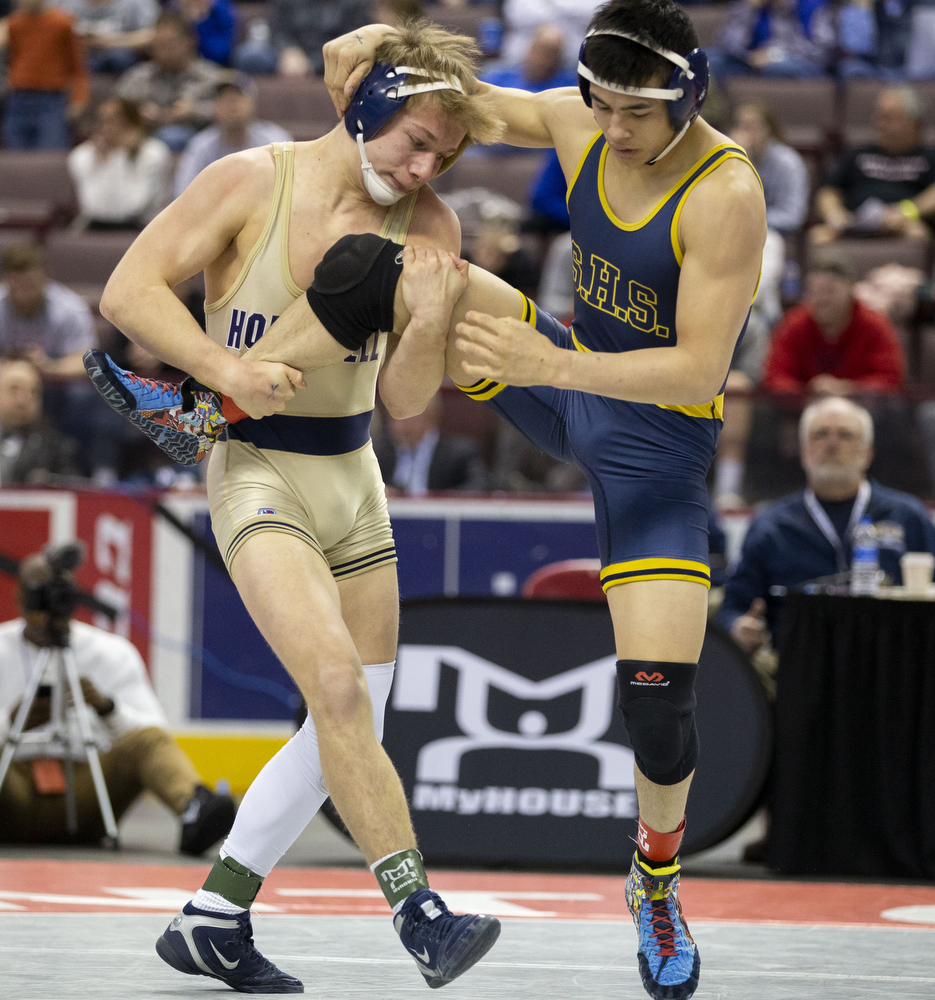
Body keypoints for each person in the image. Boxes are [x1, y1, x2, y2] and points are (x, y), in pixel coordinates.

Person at [90, 4, 766, 997]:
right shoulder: (570, 125)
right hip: (511, 387)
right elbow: (404, 88)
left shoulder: (725, 193)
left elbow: (698, 367)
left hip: (645, 439)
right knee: (391, 266)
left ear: (689, 95)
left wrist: (545, 359)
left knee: (656, 711)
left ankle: (653, 882)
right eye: (601, 105)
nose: (612, 128)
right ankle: (209, 402)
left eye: (634, 113)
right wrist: (373, 46)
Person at [89, 22, 507, 995]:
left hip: (354, 480)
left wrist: (435, 320)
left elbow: (405, 401)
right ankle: (419, 911)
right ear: (365, 108)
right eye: (413, 140)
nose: (423, 166)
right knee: (335, 686)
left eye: (443, 154)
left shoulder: (431, 224)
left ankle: (213, 917)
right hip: (258, 469)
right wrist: (223, 365)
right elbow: (125, 289)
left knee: (345, 723)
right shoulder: (251, 180)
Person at [0, 551, 236, 854]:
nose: (48, 609)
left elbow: (154, 734)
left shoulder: (111, 653)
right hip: (11, 789)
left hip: (89, 789)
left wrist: (106, 708)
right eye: (39, 595)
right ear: (19, 595)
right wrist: (12, 721)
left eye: (58, 594)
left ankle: (195, 807)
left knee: (147, 740)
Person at [717, 396, 935, 655]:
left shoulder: (907, 516)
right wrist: (739, 627)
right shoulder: (771, 526)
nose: (832, 444)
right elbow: (732, 607)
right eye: (820, 435)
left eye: (845, 435)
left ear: (868, 453)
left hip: (893, 665)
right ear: (804, 450)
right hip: (794, 668)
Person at [763, 252, 904, 396]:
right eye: (814, 292)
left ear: (850, 290)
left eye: (830, 291)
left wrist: (848, 389)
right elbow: (775, 376)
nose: (821, 299)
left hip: (864, 409)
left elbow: (890, 378)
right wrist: (807, 392)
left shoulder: (875, 325)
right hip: (802, 410)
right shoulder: (793, 324)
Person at [811, 86, 935, 244]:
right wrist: (835, 215)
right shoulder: (857, 154)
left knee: (917, 235)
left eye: (888, 118)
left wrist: (906, 212)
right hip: (855, 222)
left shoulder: (929, 157)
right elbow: (828, 191)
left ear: (913, 122)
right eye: (878, 116)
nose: (879, 124)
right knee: (818, 236)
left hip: (902, 224)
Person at [116, 12, 221, 152]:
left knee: (173, 136)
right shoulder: (139, 76)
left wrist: (195, 110)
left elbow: (232, 111)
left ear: (190, 41)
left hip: (198, 149)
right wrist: (137, 112)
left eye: (170, 43)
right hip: (145, 148)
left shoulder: (212, 77)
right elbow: (115, 108)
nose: (162, 51)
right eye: (158, 44)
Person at [174, 72, 291, 197]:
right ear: (215, 106)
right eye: (223, 98)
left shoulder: (276, 141)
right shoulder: (201, 146)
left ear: (252, 103)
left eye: (237, 97)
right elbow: (183, 195)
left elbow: (291, 188)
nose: (230, 103)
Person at [68, 98, 173, 230]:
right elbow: (93, 207)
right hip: (96, 228)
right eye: (103, 121)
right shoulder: (82, 156)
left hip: (144, 229)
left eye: (116, 122)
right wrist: (110, 158)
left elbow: (133, 208)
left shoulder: (154, 154)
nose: (107, 128)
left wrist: (120, 156)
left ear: (133, 124)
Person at [0, 244, 96, 385]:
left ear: (46, 278)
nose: (23, 295)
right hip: (6, 379)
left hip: (54, 382)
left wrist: (48, 366)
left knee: (80, 392)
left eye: (30, 285)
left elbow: (87, 363)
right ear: (6, 280)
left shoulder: (70, 308)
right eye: (17, 286)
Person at [0, 0, 88, 150]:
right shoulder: (12, 24)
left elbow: (77, 68)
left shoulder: (62, 23)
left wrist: (79, 100)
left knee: (50, 157)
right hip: (18, 99)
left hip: (51, 100)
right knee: (14, 161)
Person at [373, 391, 487, 493]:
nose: (402, 424)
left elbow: (479, 488)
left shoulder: (460, 454)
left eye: (410, 416)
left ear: (432, 417)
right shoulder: (376, 453)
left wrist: (439, 501)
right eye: (395, 416)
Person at [730, 101, 808, 237]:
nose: (744, 134)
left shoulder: (789, 163)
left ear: (768, 129)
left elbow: (792, 216)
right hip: (735, 231)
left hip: (774, 234)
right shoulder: (730, 160)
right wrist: (737, 161)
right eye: (740, 127)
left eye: (750, 127)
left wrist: (749, 219)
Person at [0, 357, 80, 485]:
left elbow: (74, 493)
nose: (23, 400)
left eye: (33, 392)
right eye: (14, 389)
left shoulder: (58, 449)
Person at [707, 0, 830, 79]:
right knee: (709, 58)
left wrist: (773, 55)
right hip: (752, 62)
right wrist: (748, 10)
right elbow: (726, 43)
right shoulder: (751, 6)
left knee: (776, 69)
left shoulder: (811, 5)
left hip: (800, 63)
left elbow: (821, 49)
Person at [58, 0, 158, 75]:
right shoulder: (67, 3)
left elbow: (152, 34)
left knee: (118, 57)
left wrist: (108, 42)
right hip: (77, 53)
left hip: (118, 56)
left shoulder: (136, 3)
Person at [483, 24, 579, 92]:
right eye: (541, 50)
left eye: (551, 54)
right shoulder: (496, 78)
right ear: (530, 48)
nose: (543, 61)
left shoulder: (568, 89)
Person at [176, 0, 237, 67]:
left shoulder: (222, 12)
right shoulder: (174, 13)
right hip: (181, 66)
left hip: (216, 66)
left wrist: (198, 22)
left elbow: (221, 54)